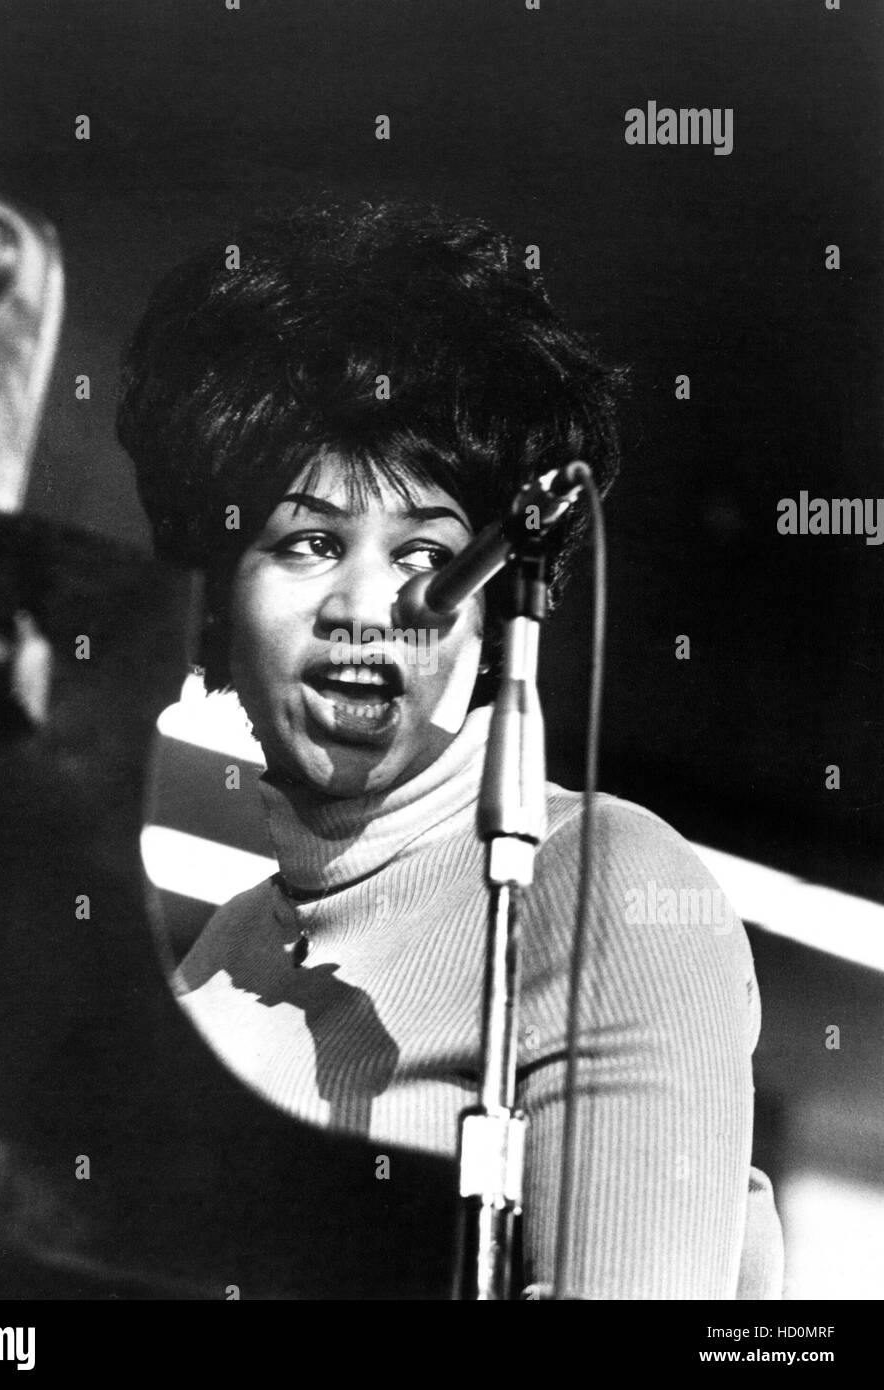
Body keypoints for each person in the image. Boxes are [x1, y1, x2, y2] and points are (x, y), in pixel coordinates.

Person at [116, 200, 783, 1299]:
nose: (366, 609)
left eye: (425, 550)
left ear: (490, 605)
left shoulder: (606, 891)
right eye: (308, 541)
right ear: (211, 593)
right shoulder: (212, 963)